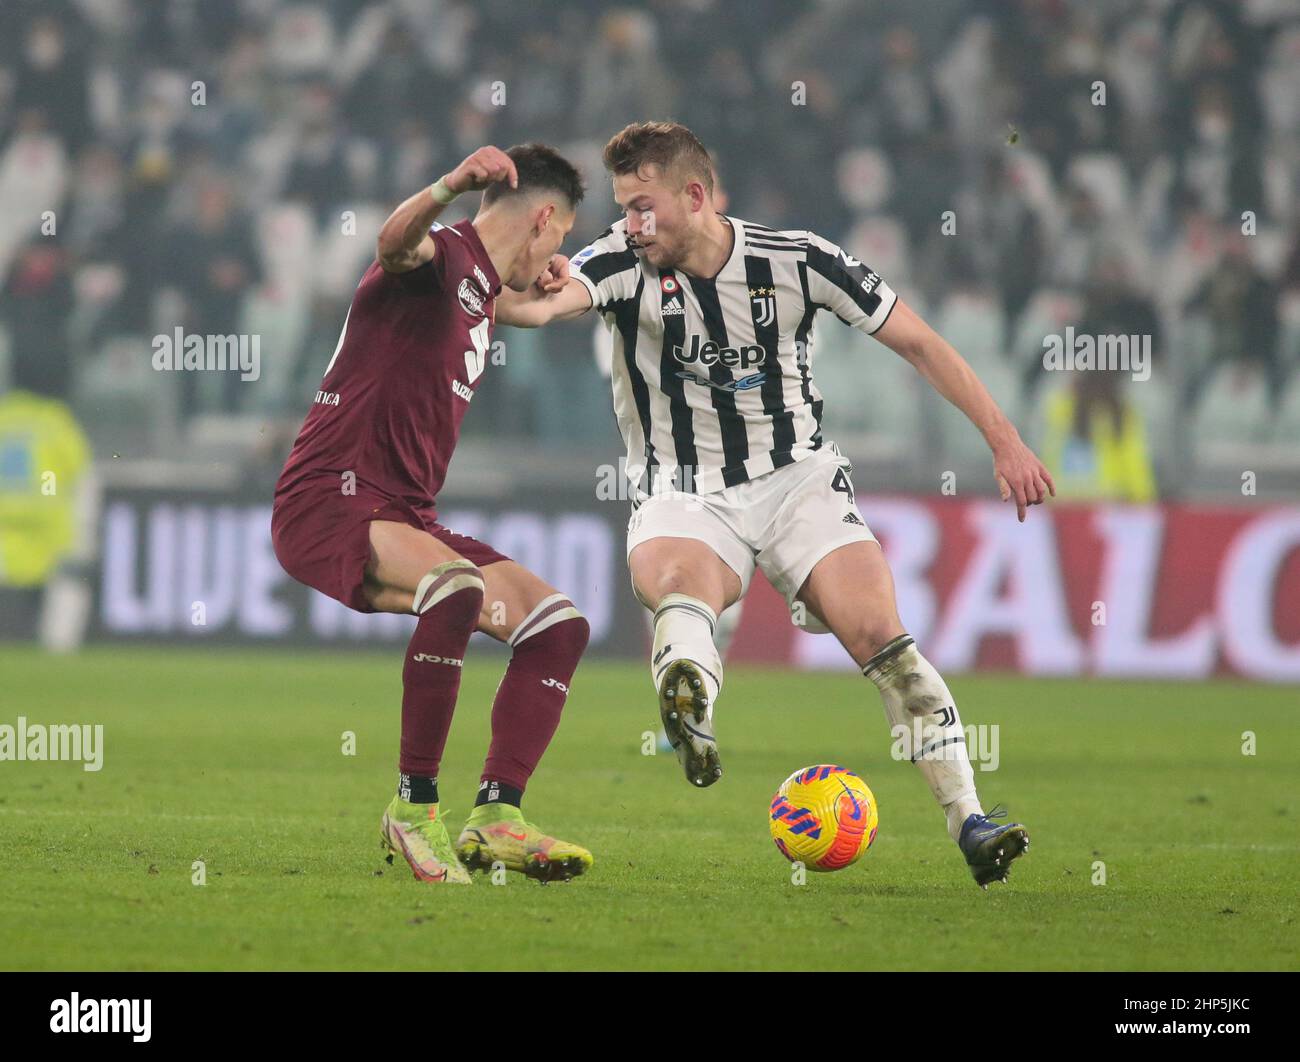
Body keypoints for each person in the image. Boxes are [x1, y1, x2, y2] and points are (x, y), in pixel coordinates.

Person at [498, 122, 1054, 888]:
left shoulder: (798, 260)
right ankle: (687, 696)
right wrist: (474, 271)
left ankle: (971, 820)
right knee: (684, 587)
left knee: (884, 641)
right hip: (683, 485)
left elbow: (920, 342)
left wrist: (1005, 440)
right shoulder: (618, 263)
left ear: (694, 196)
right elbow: (533, 310)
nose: (629, 225)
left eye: (642, 207)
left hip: (797, 482)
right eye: (623, 208)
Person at [272, 144, 593, 884]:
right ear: (544, 217)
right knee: (457, 587)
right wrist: (450, 184)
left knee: (557, 628)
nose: (558, 250)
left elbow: (534, 310)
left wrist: (565, 280)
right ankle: (413, 806)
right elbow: (393, 244)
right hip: (332, 498)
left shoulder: (479, 285)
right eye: (562, 236)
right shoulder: (439, 256)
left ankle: (498, 815)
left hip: (403, 513)